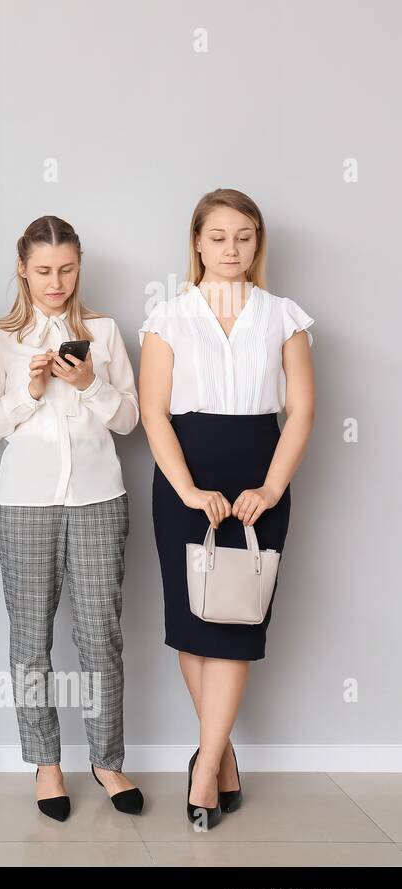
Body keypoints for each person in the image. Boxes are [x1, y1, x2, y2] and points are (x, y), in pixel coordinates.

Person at [139, 188, 315, 830]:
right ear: (197, 243)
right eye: (219, 236)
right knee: (193, 623)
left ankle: (204, 767)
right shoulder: (167, 317)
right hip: (185, 477)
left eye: (244, 236)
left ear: (257, 243)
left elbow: (300, 410)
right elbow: (154, 412)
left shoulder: (283, 316)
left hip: (257, 474)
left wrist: (270, 489)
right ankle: (223, 758)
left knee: (237, 621)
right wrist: (187, 490)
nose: (232, 248)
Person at [0, 215, 145, 822]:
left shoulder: (103, 330)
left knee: (101, 634)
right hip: (24, 504)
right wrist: (29, 390)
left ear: (80, 266)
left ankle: (107, 758)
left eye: (67, 269)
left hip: (99, 500)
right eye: (44, 270)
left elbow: (129, 420)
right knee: (30, 640)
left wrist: (92, 383)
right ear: (23, 268)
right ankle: (46, 764)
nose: (56, 282)